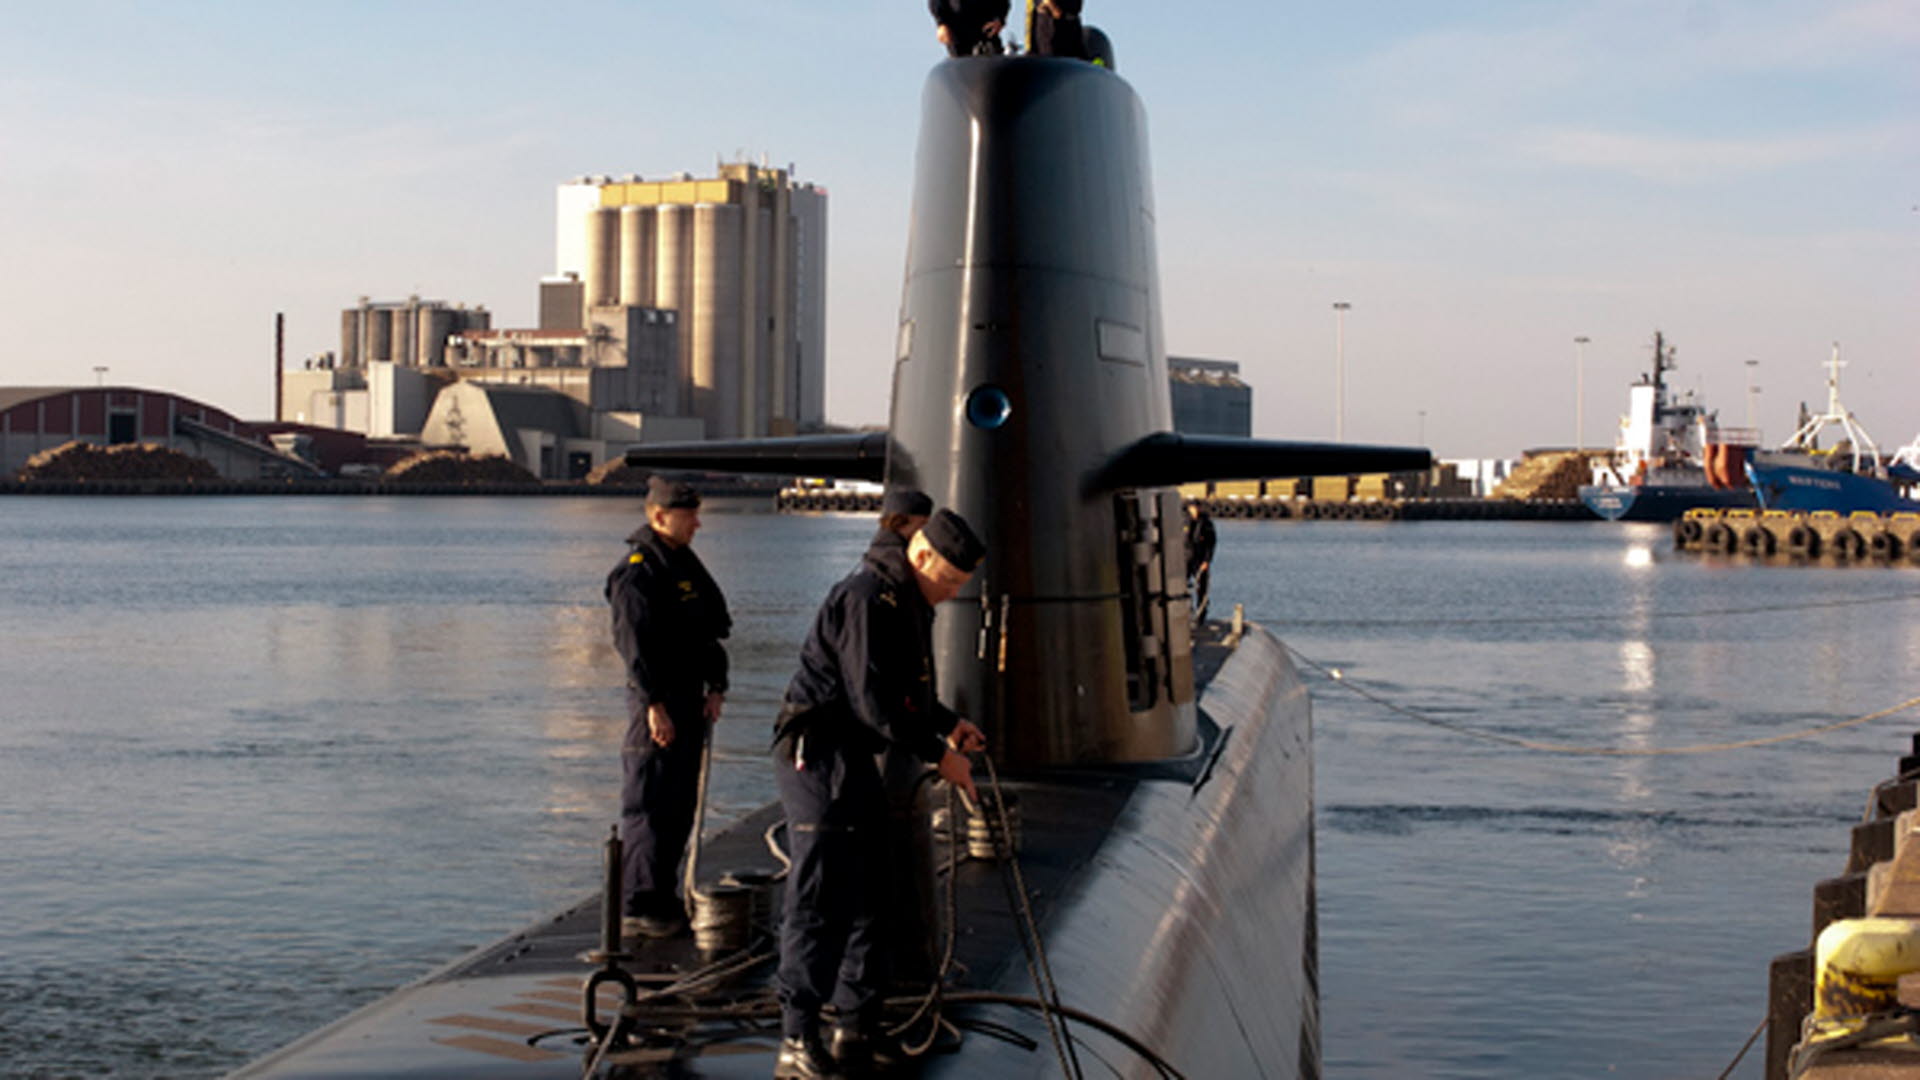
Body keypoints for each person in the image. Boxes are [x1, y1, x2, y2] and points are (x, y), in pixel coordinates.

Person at [770, 509, 988, 1079]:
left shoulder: (910, 600)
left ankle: (854, 1025)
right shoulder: (868, 597)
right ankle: (797, 1038)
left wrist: (948, 724)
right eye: (950, 579)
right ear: (919, 556)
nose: (953, 592)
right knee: (821, 900)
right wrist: (941, 755)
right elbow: (872, 701)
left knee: (874, 892)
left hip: (852, 755)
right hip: (817, 754)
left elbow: (906, 695)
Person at [606, 476, 731, 939]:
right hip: (656, 704)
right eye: (689, 515)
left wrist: (717, 685)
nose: (698, 523)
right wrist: (653, 705)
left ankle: (664, 894)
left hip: (689, 699)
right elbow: (634, 647)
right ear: (659, 516)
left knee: (679, 804)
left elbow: (708, 634)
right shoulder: (637, 573)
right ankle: (640, 903)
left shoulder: (682, 566)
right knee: (650, 804)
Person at [929, 0, 1008, 57]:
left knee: (993, 64)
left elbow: (1003, 3)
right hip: (957, 30)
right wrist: (941, 24)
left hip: (986, 29)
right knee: (959, 66)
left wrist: (1000, 19)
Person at [1185, 499, 1216, 623]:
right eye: (1192, 508)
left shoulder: (1206, 524)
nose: (1194, 510)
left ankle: (1201, 614)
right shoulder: (1183, 521)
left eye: (1196, 507)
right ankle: (1187, 611)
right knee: (1182, 586)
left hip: (1200, 559)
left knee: (1202, 587)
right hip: (1185, 558)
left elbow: (1210, 544)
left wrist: (1207, 561)